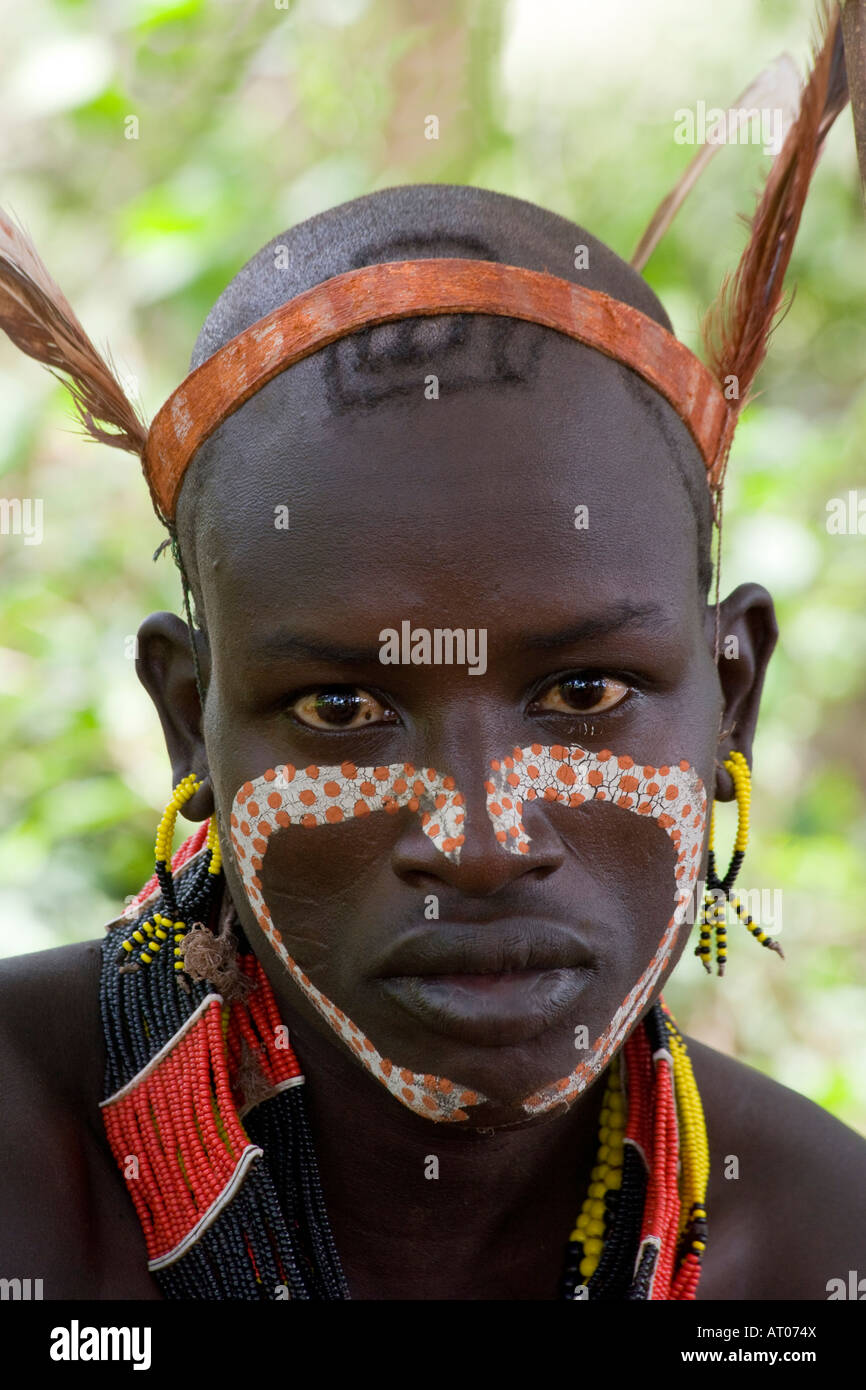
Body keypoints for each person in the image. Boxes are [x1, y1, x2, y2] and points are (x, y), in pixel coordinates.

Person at [1, 12, 864, 1302]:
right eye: (343, 705)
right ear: (193, 722)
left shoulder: (815, 1251)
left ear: (731, 695)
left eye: (584, 694)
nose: (476, 836)